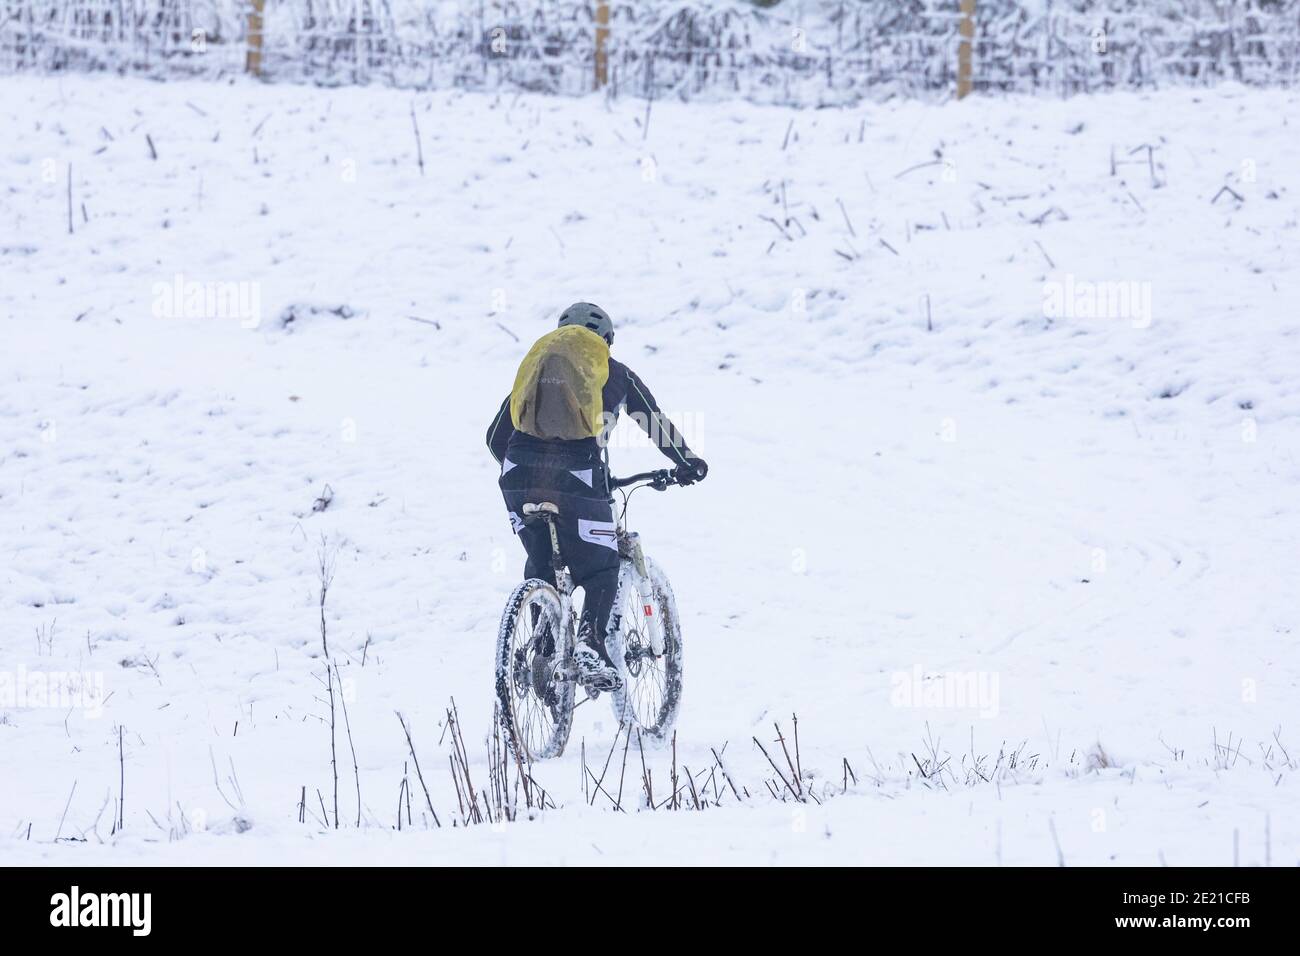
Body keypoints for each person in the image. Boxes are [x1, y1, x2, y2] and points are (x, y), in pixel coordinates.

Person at [486, 303, 707, 692]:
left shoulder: (537, 374)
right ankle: (590, 645)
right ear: (605, 342)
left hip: (517, 479)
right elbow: (654, 424)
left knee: (541, 561)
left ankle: (544, 645)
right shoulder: (615, 373)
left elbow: (494, 439)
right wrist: (687, 463)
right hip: (578, 480)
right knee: (600, 567)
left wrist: (526, 468)